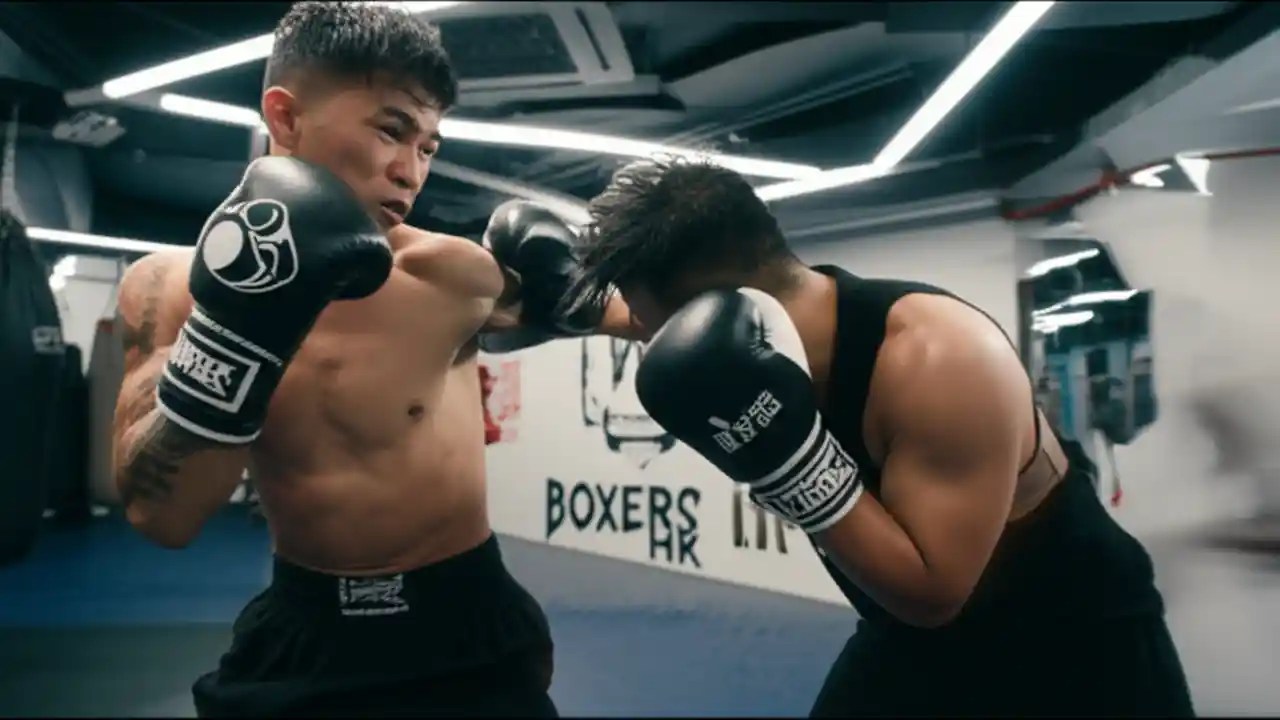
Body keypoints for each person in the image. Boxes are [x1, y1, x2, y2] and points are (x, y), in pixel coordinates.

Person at [110, 3, 638, 716]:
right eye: (391, 131)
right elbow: (161, 518)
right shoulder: (163, 289)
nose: (410, 170)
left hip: (465, 621)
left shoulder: (452, 275)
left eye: (427, 147)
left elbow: (622, 316)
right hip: (305, 632)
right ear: (286, 118)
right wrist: (240, 329)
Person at [572, 156, 1196, 716]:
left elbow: (932, 594)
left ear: (715, 319)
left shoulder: (939, 359)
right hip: (910, 635)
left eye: (657, 328)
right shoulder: (756, 327)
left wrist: (789, 467)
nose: (646, 338)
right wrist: (530, 300)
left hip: (1079, 646)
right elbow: (632, 317)